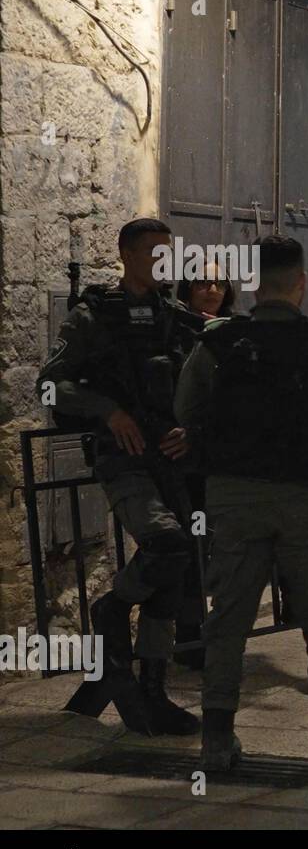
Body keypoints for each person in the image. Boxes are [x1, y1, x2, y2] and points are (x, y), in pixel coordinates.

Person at [175, 235, 308, 771]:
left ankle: (216, 740)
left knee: (229, 619)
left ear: (254, 284)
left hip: (233, 497)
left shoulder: (217, 342)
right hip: (304, 498)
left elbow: (185, 406)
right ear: (301, 283)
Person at [38, 218, 201, 735]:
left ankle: (152, 690)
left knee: (174, 573)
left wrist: (190, 429)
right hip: (122, 457)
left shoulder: (175, 318)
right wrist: (108, 410)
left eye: (167, 254)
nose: (162, 263)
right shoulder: (94, 316)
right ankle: (113, 608)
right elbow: (49, 386)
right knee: (169, 544)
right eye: (152, 253)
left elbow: (199, 389)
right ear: (126, 255)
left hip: (169, 458)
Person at [173, 261, 237, 669]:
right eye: (202, 282)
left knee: (225, 546)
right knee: (192, 544)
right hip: (190, 458)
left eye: (218, 282)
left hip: (227, 456)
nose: (211, 289)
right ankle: (189, 633)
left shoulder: (235, 331)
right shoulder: (176, 329)